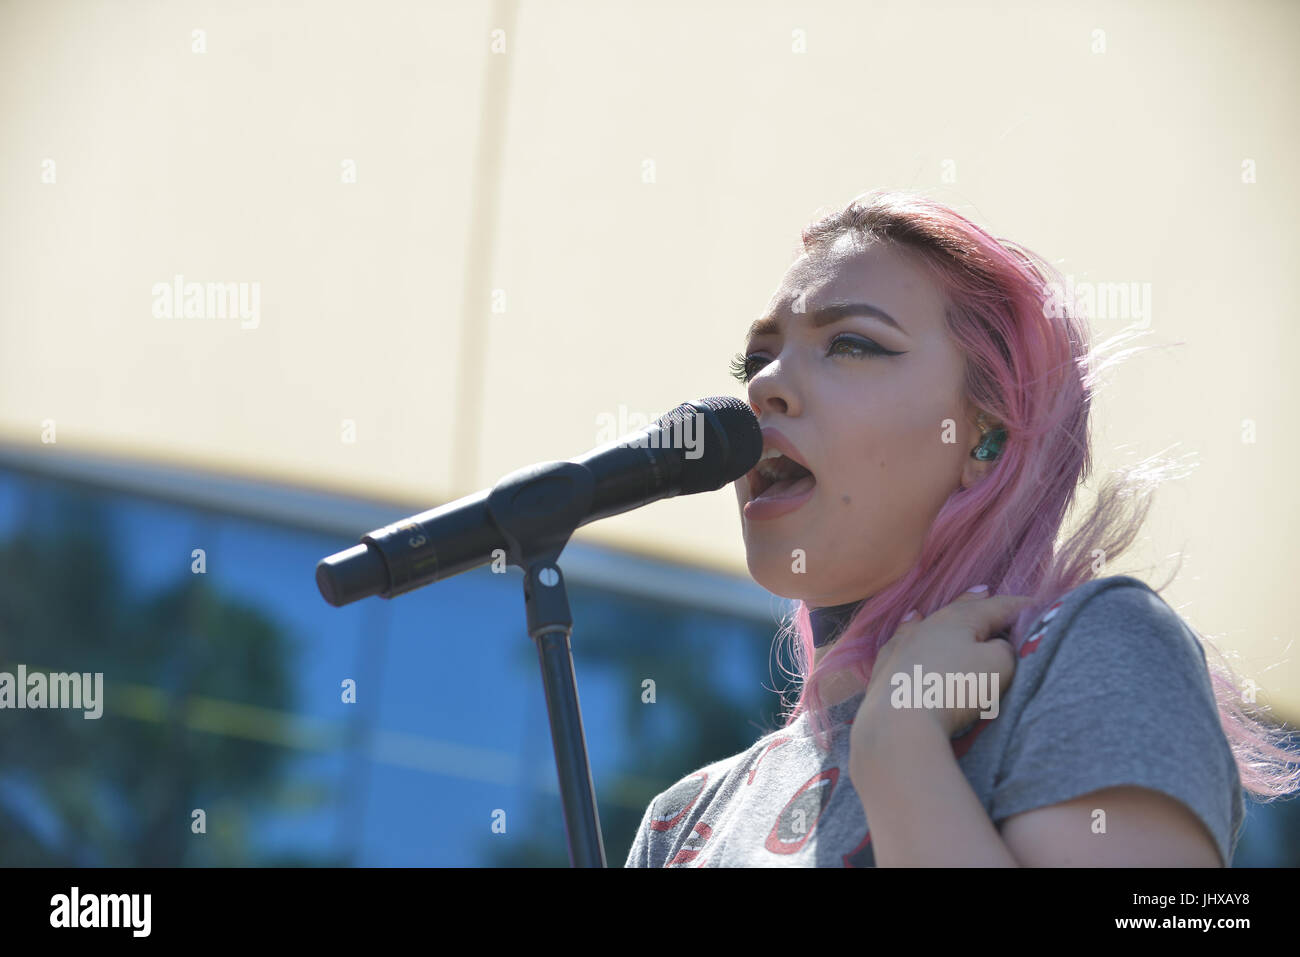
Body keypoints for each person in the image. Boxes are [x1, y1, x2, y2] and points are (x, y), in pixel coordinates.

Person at [625, 189, 1300, 867]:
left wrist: (900, 746)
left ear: (987, 435)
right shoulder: (682, 821)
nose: (765, 385)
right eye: (756, 360)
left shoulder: (1095, 651)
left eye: (852, 344)